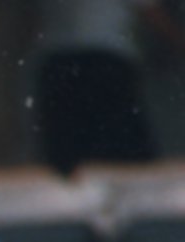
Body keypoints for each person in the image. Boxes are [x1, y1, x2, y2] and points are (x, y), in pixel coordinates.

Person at [34, 0, 185, 174]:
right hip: (104, 59)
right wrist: (178, 41)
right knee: (124, 151)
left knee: (70, 152)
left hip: (58, 61)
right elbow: (150, 11)